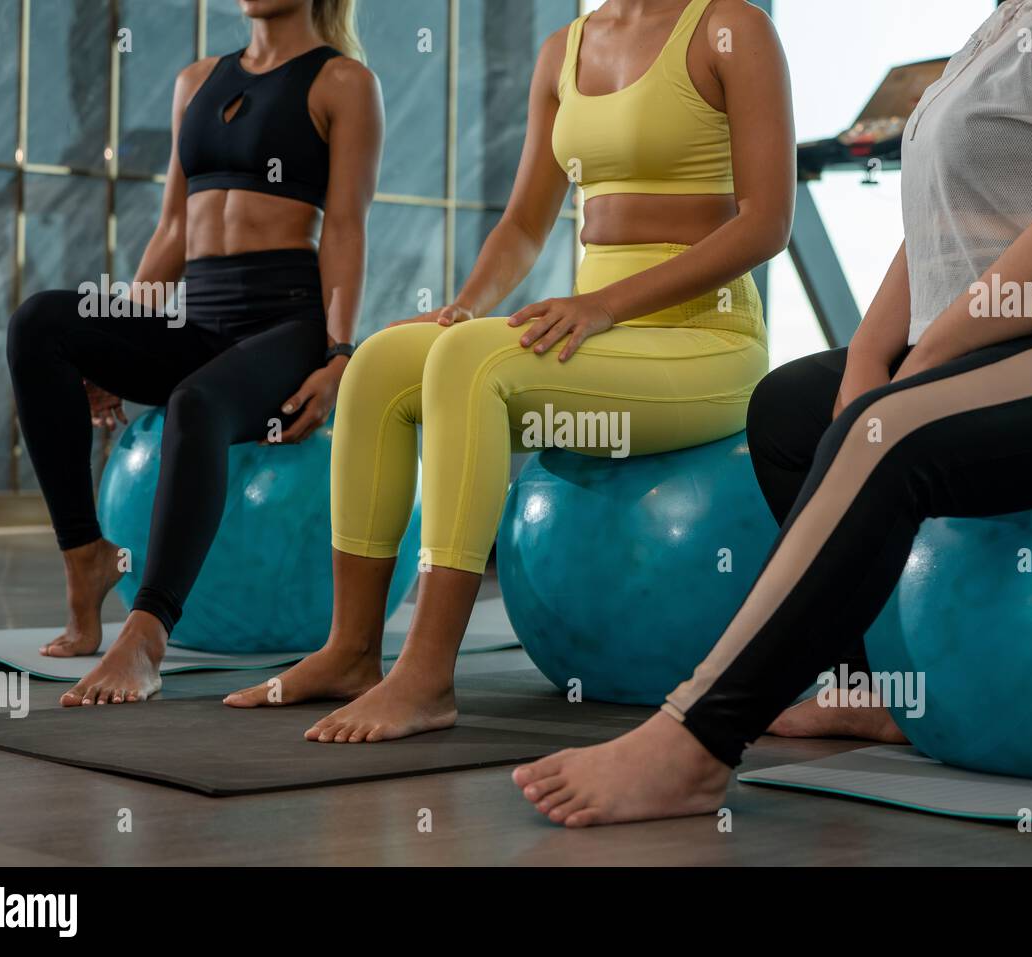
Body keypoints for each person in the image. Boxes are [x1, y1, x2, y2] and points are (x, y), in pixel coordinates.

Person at [513, 0, 1032, 826]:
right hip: (1008, 337)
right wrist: (866, 359)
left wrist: (920, 368)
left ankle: (695, 741)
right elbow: (936, 228)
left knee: (886, 432)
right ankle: (879, 685)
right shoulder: (1012, 21)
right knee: (792, 410)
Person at [224, 0, 794, 747]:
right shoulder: (563, 50)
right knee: (383, 363)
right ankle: (352, 650)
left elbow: (767, 220)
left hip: (706, 341)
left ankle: (426, 676)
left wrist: (603, 304)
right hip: (604, 331)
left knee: (473, 363)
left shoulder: (731, 28)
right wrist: (460, 308)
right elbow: (527, 223)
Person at [6, 0, 382, 705]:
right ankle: (85, 557)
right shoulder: (196, 81)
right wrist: (120, 344)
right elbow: (174, 227)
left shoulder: (342, 83)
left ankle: (147, 636)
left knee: (196, 404)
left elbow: (347, 230)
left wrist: (339, 354)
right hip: (198, 320)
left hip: (285, 325)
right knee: (40, 323)